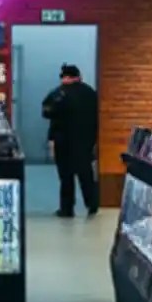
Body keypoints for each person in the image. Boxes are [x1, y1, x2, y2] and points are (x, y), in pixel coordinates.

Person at [42, 64, 99, 217]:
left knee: (66, 176)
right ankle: (92, 203)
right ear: (79, 76)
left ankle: (67, 208)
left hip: (63, 141)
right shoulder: (90, 93)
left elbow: (47, 112)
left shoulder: (58, 93)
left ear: (65, 77)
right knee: (85, 173)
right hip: (85, 140)